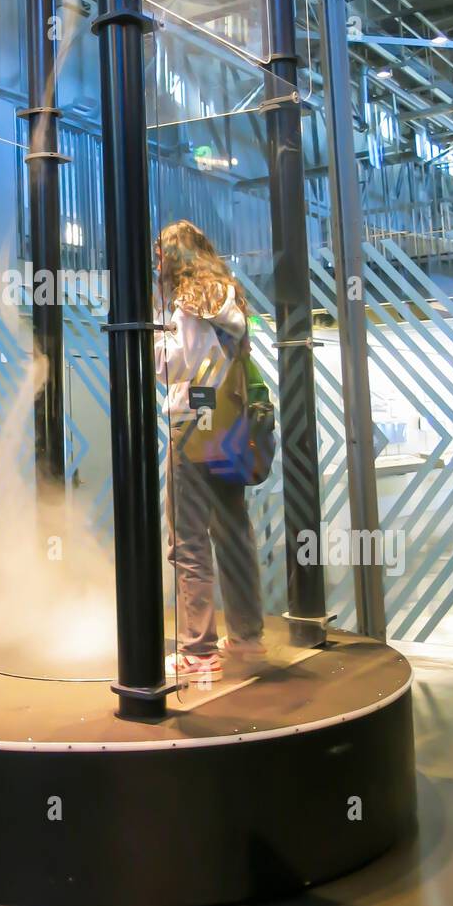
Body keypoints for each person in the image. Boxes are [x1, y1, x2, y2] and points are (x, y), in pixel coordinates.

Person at [154, 221, 266, 682]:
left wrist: (151, 334)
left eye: (159, 253)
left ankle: (199, 652)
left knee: (189, 542)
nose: (156, 261)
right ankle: (246, 639)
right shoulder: (227, 295)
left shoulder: (189, 300)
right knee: (233, 534)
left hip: (192, 428)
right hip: (228, 429)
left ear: (175, 256)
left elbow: (174, 364)